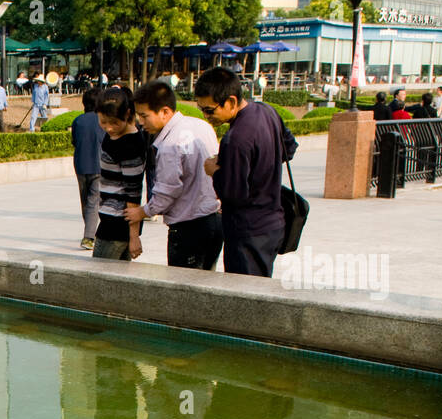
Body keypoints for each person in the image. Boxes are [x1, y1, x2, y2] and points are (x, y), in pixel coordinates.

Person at [195, 66, 297, 277]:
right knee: (260, 285)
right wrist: (260, 166)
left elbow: (233, 194)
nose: (206, 116)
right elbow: (290, 148)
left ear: (231, 101)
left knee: (246, 298)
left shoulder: (235, 139)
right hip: (273, 223)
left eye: (210, 110)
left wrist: (214, 170)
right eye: (202, 109)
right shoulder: (267, 111)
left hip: (248, 230)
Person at [124, 80, 222, 271]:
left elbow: (167, 192)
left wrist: (143, 211)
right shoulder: (202, 126)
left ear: (165, 112)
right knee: (207, 289)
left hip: (189, 230)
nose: (141, 123)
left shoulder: (170, 145)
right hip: (213, 223)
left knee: (184, 293)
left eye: (144, 116)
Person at [93, 85, 147, 262]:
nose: (108, 128)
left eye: (115, 122)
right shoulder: (116, 135)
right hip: (110, 220)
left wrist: (134, 236)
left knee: (98, 281)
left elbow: (133, 194)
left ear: (128, 114)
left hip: (117, 227)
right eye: (103, 122)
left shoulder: (130, 143)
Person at [71, 87, 104, 251]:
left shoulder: (78, 120)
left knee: (85, 201)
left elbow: (75, 142)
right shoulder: (103, 120)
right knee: (93, 202)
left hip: (81, 165)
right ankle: (89, 236)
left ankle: (90, 233)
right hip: (98, 165)